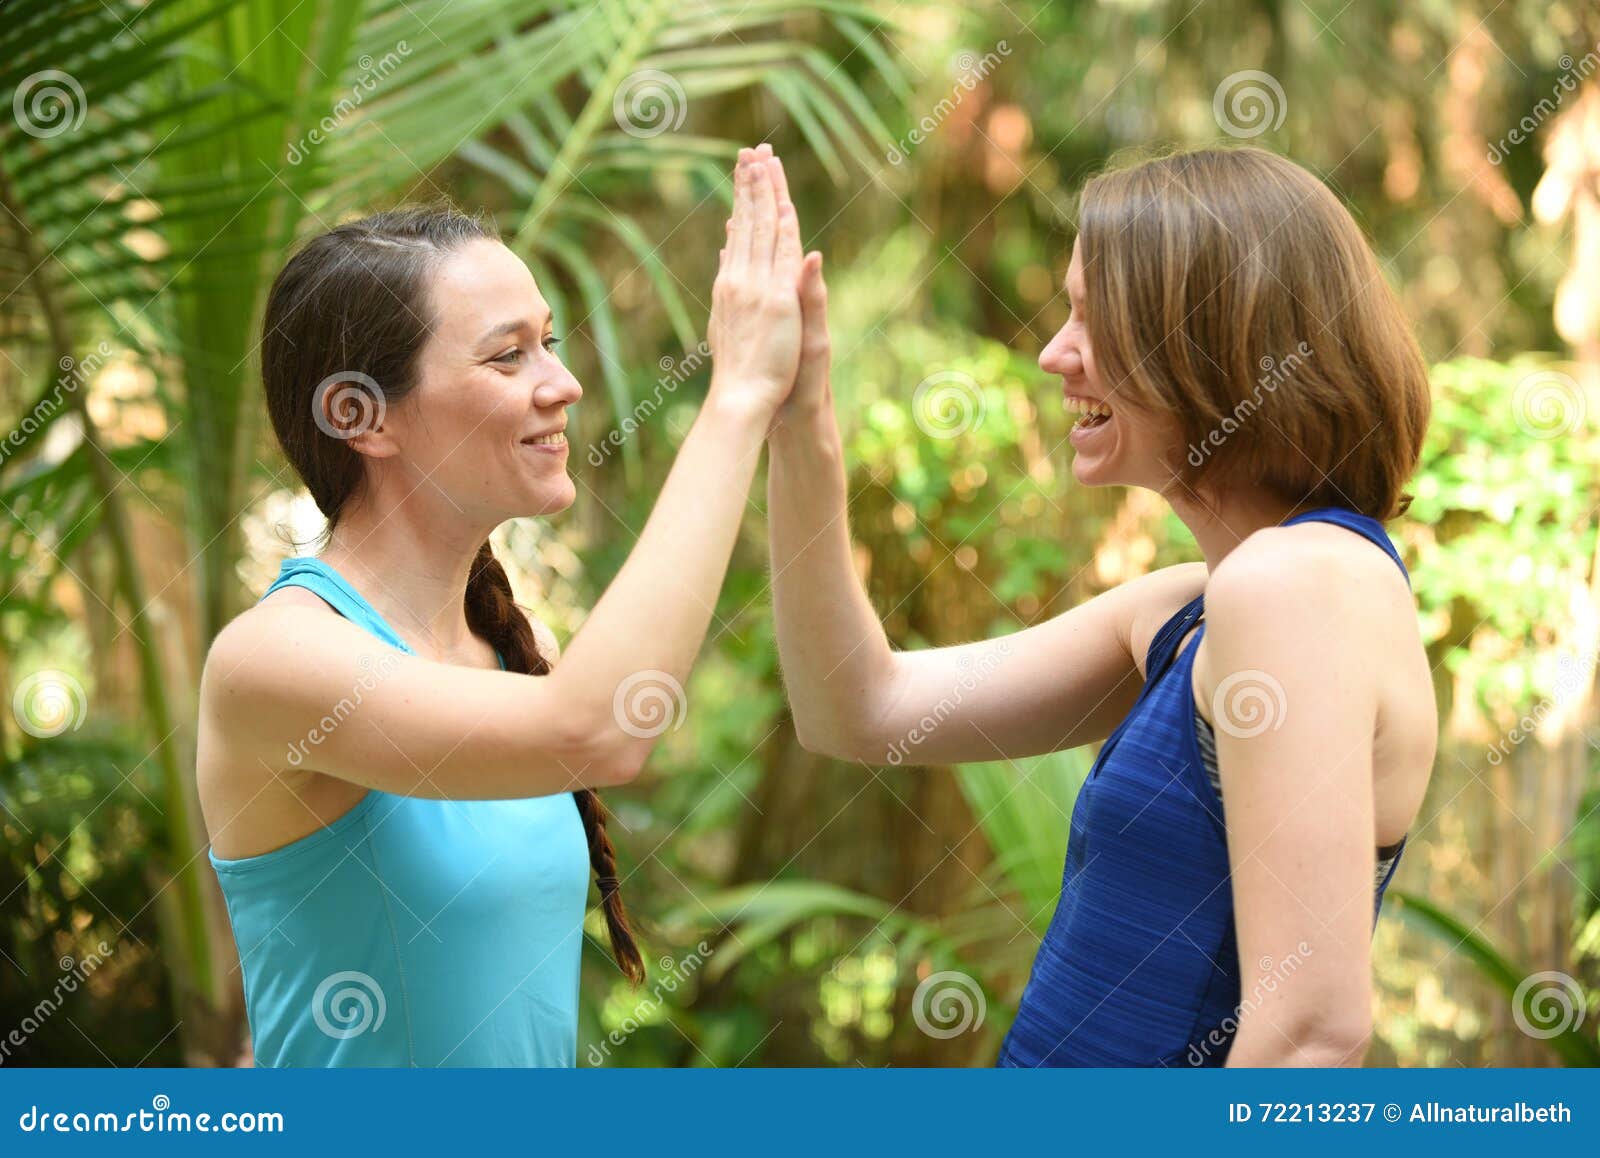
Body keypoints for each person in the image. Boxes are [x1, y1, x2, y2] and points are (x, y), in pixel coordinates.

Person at [765, 144, 1438, 1066]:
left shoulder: (1295, 589)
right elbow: (856, 709)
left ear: (1213, 338)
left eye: (1093, 315)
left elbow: (1310, 1038)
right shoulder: (1191, 610)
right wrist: (800, 422)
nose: (1054, 354)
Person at [197, 145, 809, 1066]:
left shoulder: (519, 653)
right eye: (507, 355)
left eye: (550, 343)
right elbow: (603, 728)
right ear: (364, 416)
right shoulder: (274, 663)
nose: (559, 383)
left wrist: (798, 406)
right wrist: (736, 397)